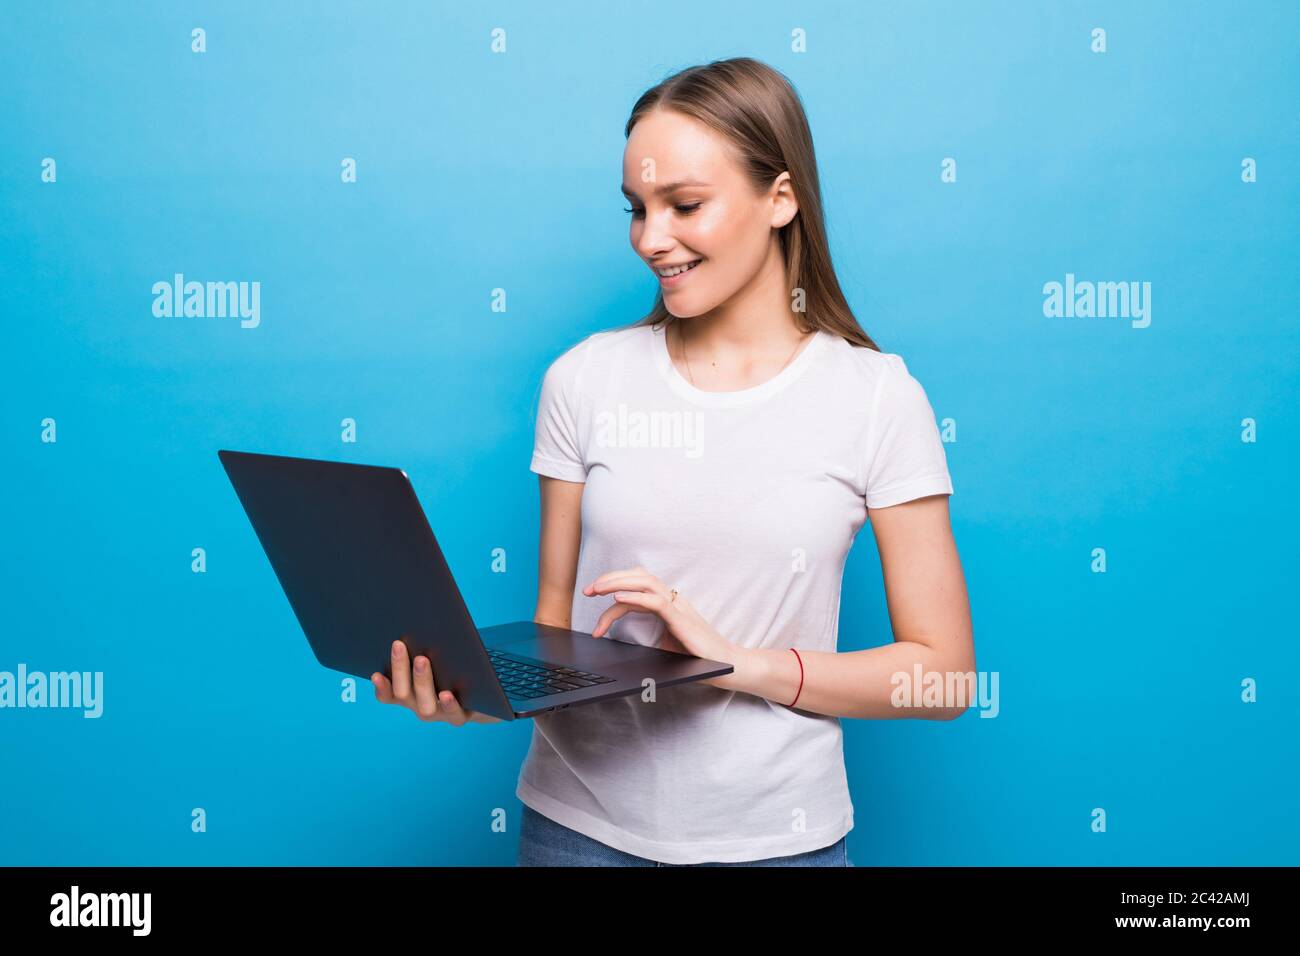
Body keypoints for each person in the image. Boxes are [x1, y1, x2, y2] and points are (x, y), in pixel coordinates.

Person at [372, 56, 974, 867]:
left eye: (685, 205)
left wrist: (733, 665)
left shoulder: (875, 398)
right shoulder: (584, 378)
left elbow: (943, 676)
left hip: (778, 844)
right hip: (576, 834)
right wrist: (472, 694)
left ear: (781, 199)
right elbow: (555, 637)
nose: (651, 240)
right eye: (637, 208)